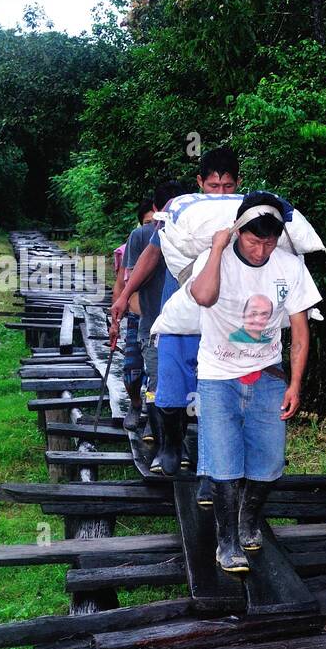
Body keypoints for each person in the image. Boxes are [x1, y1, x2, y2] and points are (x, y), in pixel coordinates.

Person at [188, 191, 320, 573]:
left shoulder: (290, 267)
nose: (261, 250)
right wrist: (217, 248)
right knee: (224, 464)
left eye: (269, 241)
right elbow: (203, 295)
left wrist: (295, 384)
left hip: (268, 375)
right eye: (252, 239)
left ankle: (248, 519)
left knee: (268, 463)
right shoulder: (219, 259)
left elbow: (300, 330)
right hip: (217, 376)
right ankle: (226, 541)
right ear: (238, 231)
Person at [113, 147, 240, 481]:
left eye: (228, 187)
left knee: (217, 387)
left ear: (239, 183)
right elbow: (152, 254)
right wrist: (125, 294)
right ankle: (172, 445)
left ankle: (216, 468)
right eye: (214, 186)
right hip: (178, 311)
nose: (221, 194)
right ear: (199, 183)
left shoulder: (244, 212)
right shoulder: (179, 210)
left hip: (223, 316)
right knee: (169, 381)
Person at [110, 179, 183, 465]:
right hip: (152, 322)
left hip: (190, 327)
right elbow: (130, 279)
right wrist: (130, 311)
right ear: (156, 209)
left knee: (181, 387)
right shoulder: (142, 237)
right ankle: (164, 443)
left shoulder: (201, 233)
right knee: (155, 380)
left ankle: (177, 445)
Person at [112, 195, 154, 431]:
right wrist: (115, 319)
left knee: (156, 370)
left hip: (162, 317)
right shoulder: (131, 248)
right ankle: (135, 403)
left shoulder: (176, 245)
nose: (152, 229)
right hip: (137, 314)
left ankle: (155, 417)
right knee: (132, 367)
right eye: (147, 223)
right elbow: (120, 285)